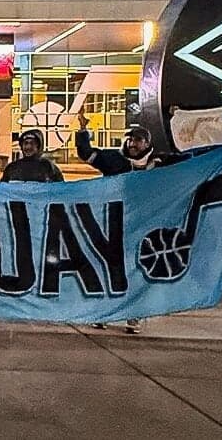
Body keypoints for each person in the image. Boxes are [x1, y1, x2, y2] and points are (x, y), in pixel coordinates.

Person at [75, 111, 154, 334]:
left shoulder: (158, 163)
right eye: (130, 139)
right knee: (108, 267)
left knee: (138, 268)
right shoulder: (115, 160)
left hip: (142, 223)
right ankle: (104, 311)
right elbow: (87, 154)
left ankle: (134, 314)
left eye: (138, 140)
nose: (132, 144)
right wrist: (82, 131)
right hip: (113, 222)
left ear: (147, 143)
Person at [0, 129, 64, 183]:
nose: (28, 147)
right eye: (26, 143)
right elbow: (1, 190)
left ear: (38, 146)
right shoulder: (12, 168)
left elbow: (60, 190)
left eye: (32, 143)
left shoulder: (48, 167)